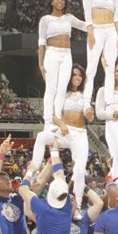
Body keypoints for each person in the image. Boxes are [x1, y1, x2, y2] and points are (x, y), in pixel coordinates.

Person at [31, 65, 90, 215]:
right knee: (42, 136)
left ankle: (76, 205)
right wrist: (62, 124)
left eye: (79, 75)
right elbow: (54, 114)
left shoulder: (86, 94)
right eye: (74, 74)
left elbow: (90, 116)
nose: (77, 77)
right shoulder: (62, 93)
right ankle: (33, 171)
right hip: (64, 131)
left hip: (80, 134)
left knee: (80, 169)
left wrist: (90, 113)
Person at [37, 0, 87, 131]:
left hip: (66, 55)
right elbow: (41, 43)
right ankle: (48, 120)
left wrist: (102, 23)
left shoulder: (69, 18)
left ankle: (57, 118)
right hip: (52, 53)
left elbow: (84, 26)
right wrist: (41, 64)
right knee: (51, 88)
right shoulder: (45, 19)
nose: (60, 1)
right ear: (52, 2)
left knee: (61, 89)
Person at [82, 0, 118, 116]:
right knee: (91, 68)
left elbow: (117, 18)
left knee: (110, 67)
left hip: (111, 31)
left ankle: (110, 103)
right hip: (96, 30)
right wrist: (90, 31)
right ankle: (86, 103)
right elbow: (87, 14)